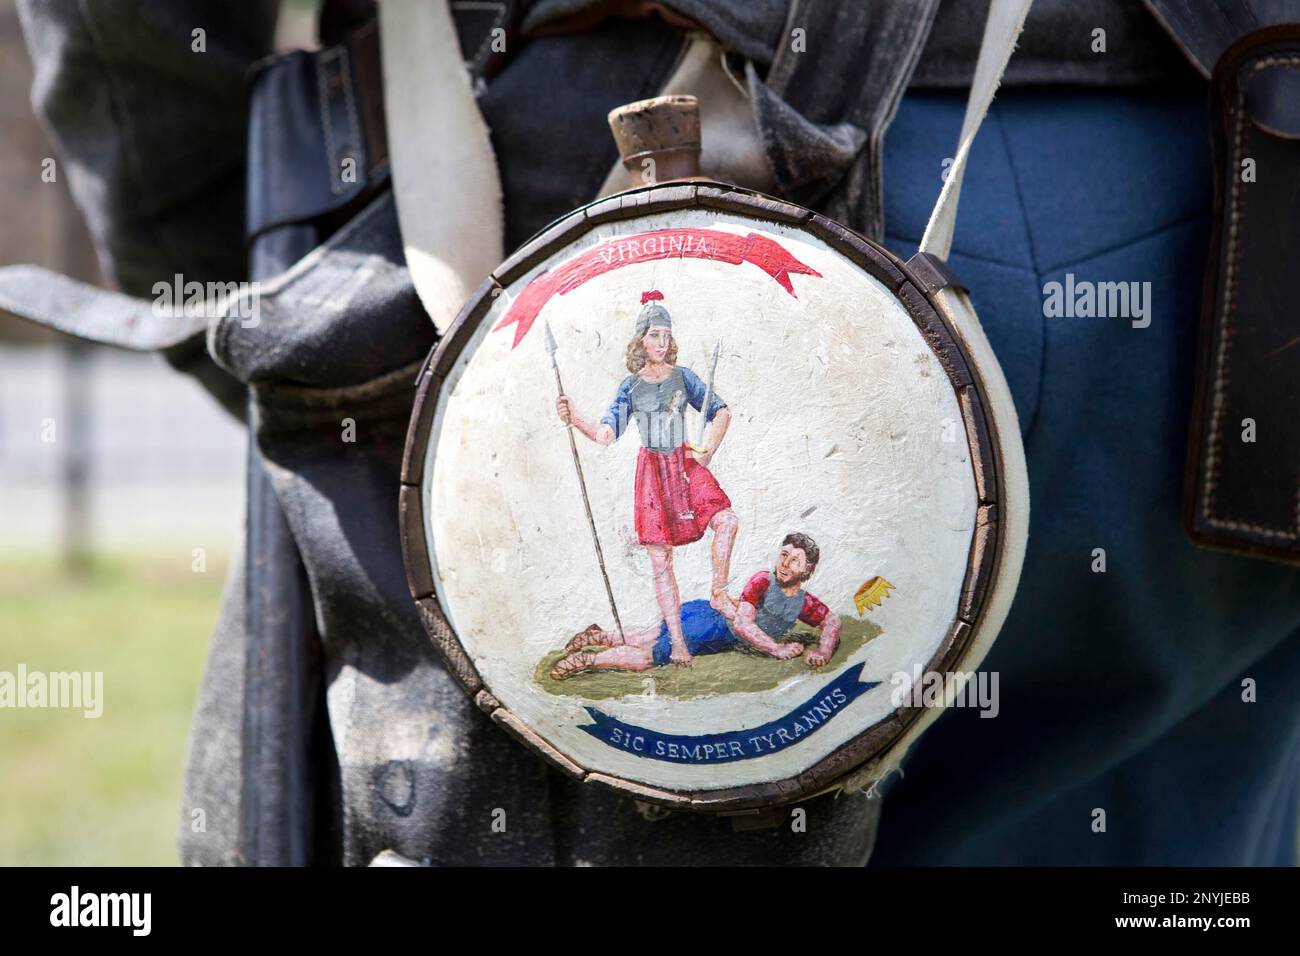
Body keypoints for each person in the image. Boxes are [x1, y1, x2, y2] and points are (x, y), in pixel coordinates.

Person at [555, 292, 738, 667]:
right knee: (660, 562)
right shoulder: (631, 386)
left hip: (683, 465)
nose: (662, 342)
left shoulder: (683, 377)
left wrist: (706, 452)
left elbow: (720, 411)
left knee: (727, 520)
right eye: (655, 335)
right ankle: (678, 645)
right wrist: (575, 418)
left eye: (666, 335)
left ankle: (719, 591)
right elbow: (607, 435)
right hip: (653, 474)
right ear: (641, 340)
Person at [550, 532, 840, 679]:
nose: (785, 564)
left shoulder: (803, 601)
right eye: (784, 555)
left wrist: (824, 651)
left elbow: (832, 621)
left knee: (650, 635)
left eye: (795, 560)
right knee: (651, 655)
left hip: (705, 615)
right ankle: (587, 661)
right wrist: (778, 649)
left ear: (807, 570)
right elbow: (742, 624)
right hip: (710, 626)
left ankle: (599, 636)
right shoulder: (763, 581)